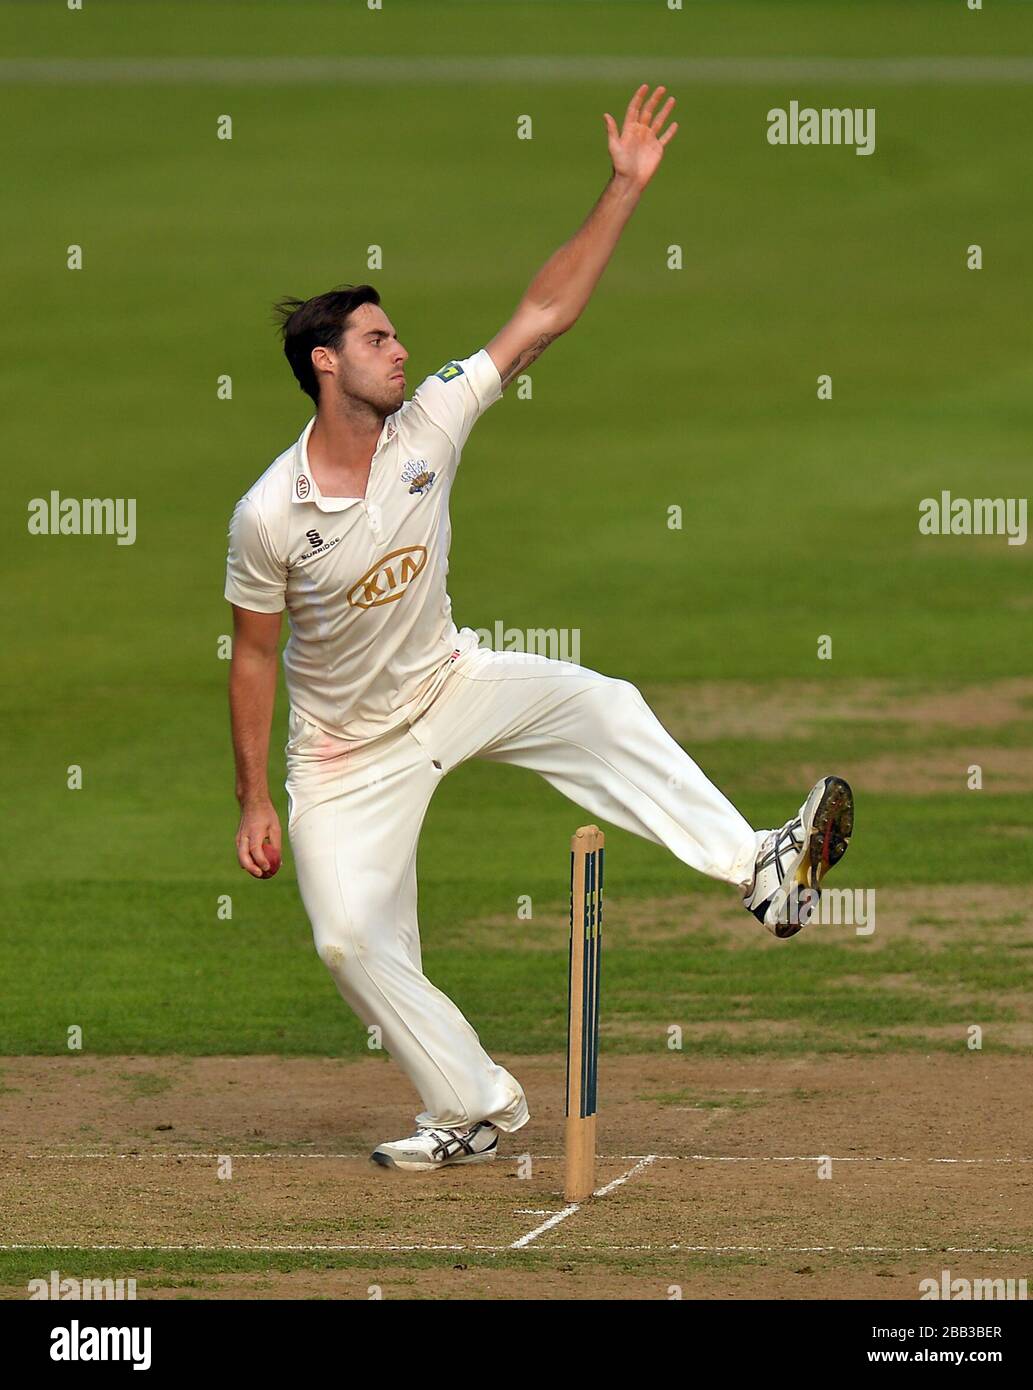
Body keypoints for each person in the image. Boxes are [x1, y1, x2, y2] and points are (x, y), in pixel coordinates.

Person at [224, 85, 853, 1174]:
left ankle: (760, 864)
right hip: (340, 752)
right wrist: (251, 796)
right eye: (375, 339)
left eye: (395, 334)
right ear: (322, 363)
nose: (397, 348)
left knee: (601, 703)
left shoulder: (428, 422)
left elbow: (541, 315)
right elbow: (251, 653)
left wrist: (620, 190)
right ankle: (469, 1103)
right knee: (347, 940)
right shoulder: (270, 512)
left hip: (450, 680)